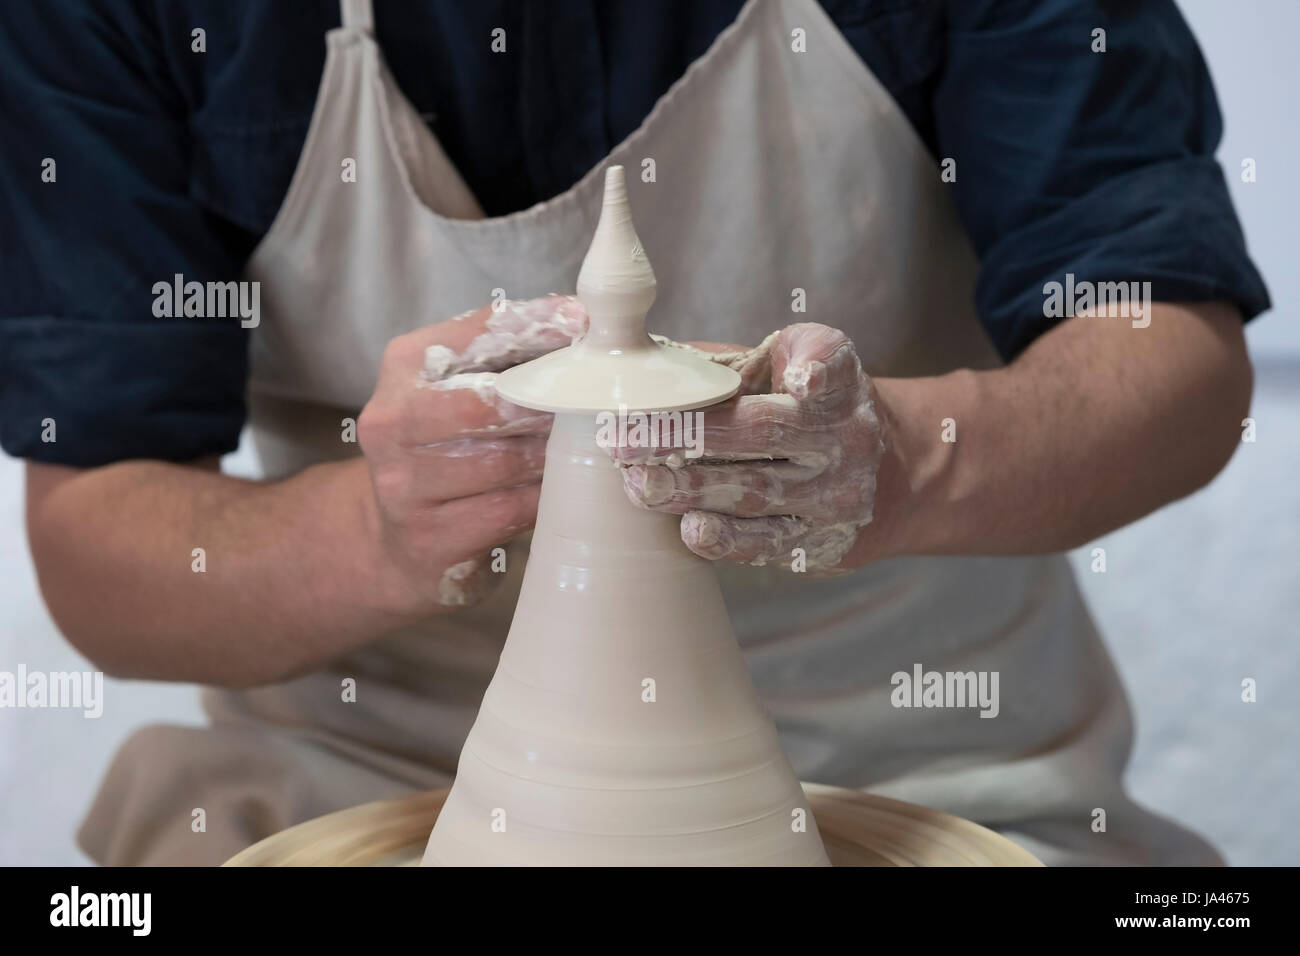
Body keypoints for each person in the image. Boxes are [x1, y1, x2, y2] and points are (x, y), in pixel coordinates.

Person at [0, 0, 1268, 866]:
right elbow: (98, 538)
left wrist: (902, 456)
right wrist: (376, 530)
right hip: (369, 771)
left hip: (927, 762)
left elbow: (1174, 353)